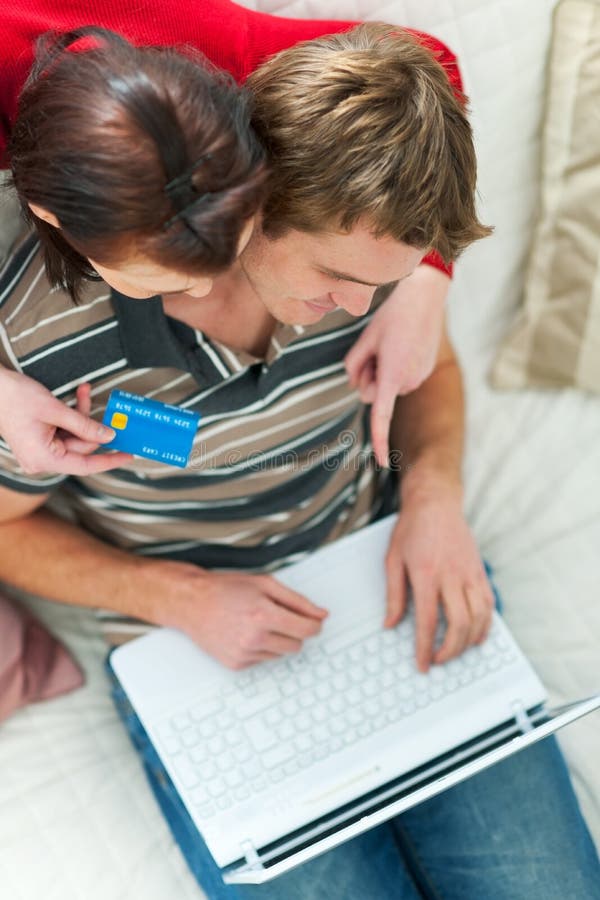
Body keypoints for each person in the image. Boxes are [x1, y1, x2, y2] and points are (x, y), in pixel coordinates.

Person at [3, 22, 598, 897]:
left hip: (389, 584)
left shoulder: (380, 266)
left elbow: (424, 369)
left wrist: (433, 499)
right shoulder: (43, 334)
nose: (358, 306)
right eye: (334, 280)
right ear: (257, 201)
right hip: (198, 645)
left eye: (380, 286)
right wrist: (182, 599)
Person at [0, 0, 453, 476]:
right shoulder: (34, 327)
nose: (204, 288)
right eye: (162, 281)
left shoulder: (211, 47)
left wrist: (425, 286)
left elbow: (423, 65)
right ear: (50, 215)